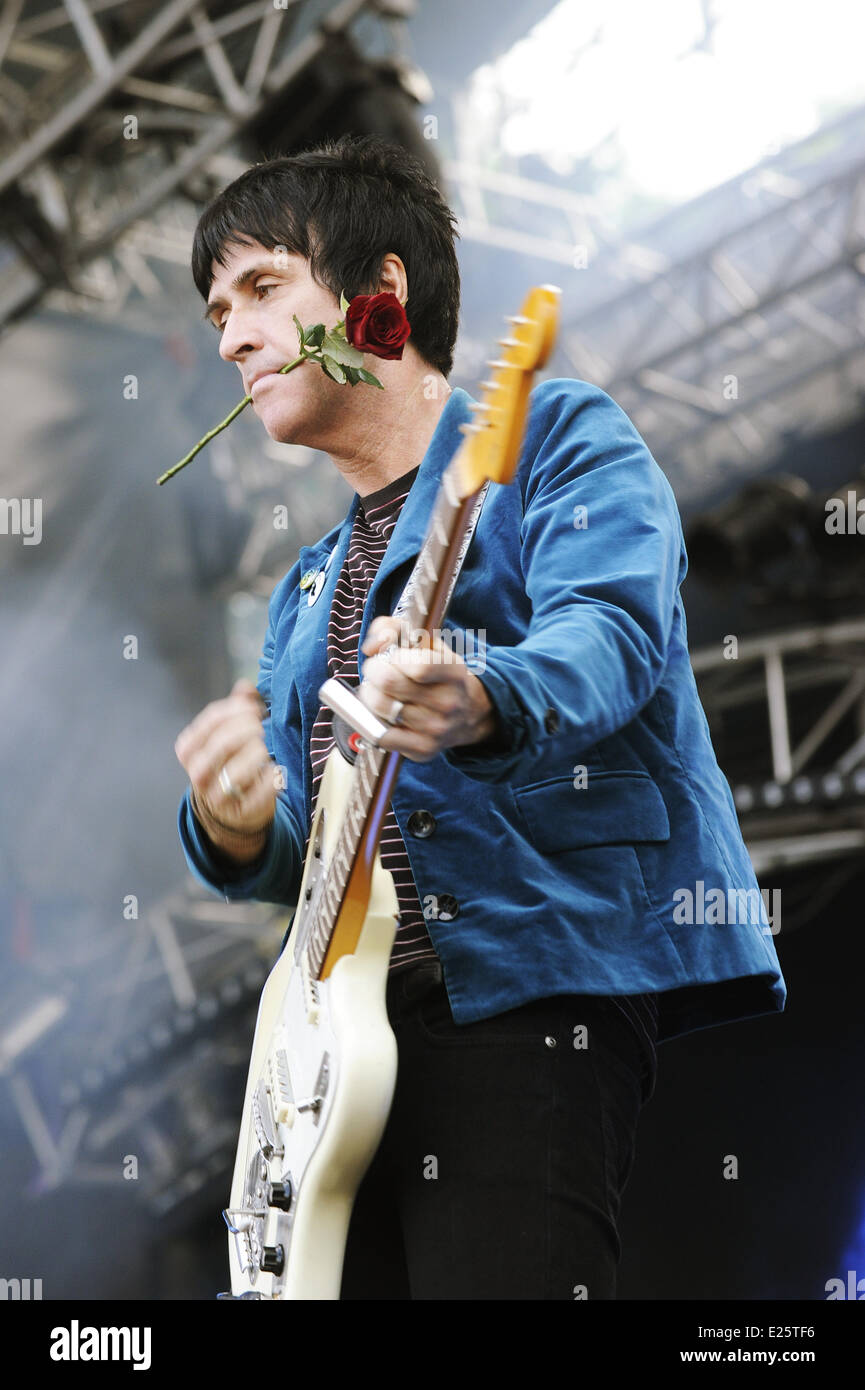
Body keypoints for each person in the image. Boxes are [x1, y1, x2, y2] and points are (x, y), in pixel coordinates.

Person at [173, 134, 786, 1300]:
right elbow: (315, 853)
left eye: (261, 290)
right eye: (215, 312)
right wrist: (240, 823)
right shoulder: (299, 592)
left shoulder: (553, 435)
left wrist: (487, 691)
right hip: (326, 1062)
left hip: (521, 1002)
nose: (231, 337)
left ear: (379, 296)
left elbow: (610, 632)